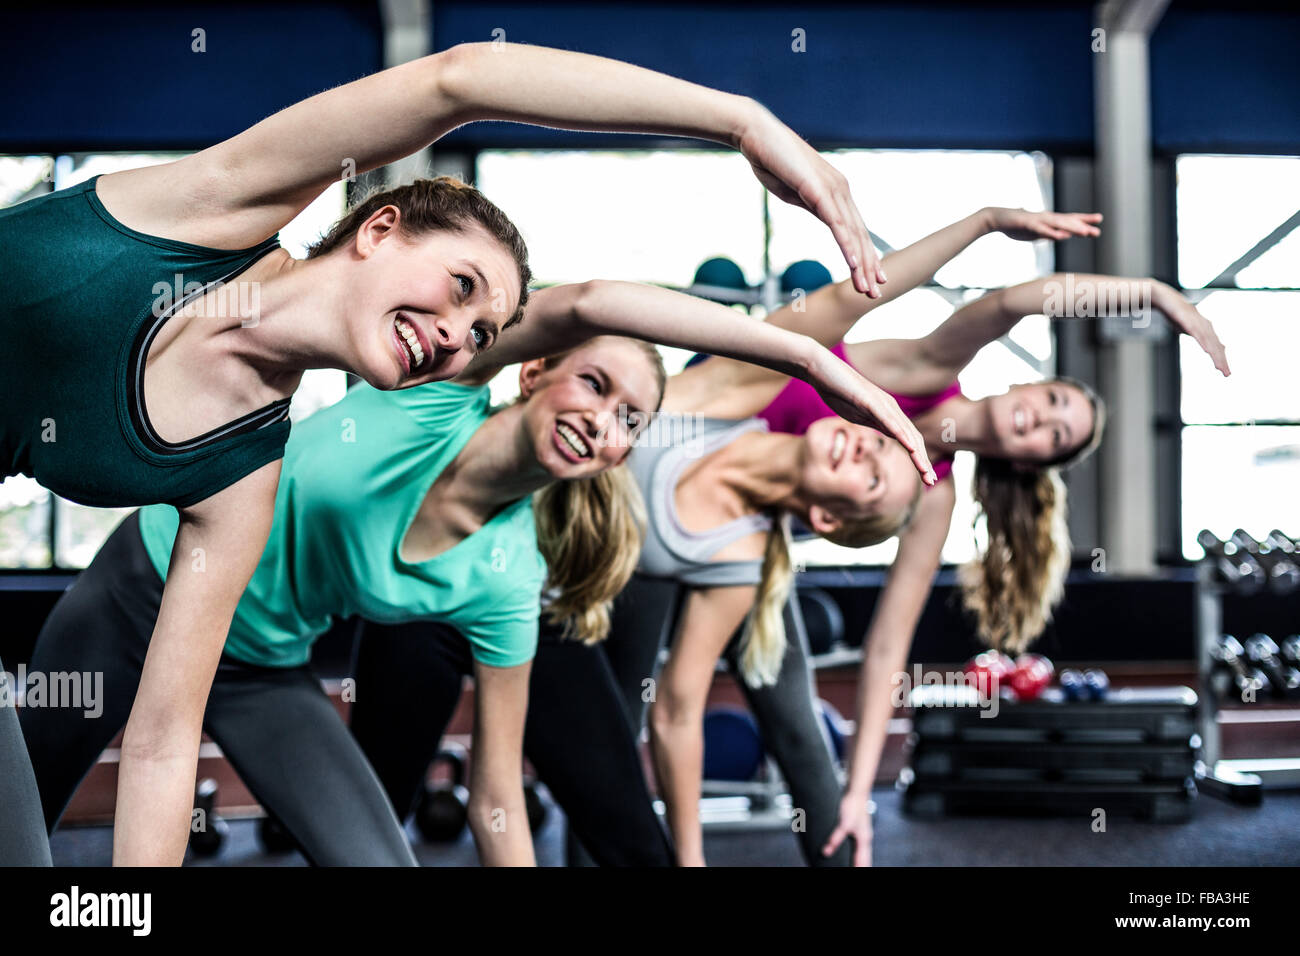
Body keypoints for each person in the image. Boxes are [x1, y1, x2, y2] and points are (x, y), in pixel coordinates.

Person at [1, 39, 921, 865]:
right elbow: (460, 82)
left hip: (264, 665)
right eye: (459, 287)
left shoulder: (240, 477)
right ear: (379, 228)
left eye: (479, 332)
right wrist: (742, 128)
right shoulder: (217, 207)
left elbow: (165, 746)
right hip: (127, 595)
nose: (454, 336)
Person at [673, 205, 1231, 864]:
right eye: (1054, 400)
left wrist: (860, 794)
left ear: (1029, 462)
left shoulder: (932, 495)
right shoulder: (927, 370)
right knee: (622, 715)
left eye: (1058, 436)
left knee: (808, 750)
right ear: (1030, 382)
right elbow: (1012, 302)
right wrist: (1156, 294)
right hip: (692, 435)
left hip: (734, 548)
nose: (1041, 419)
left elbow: (887, 648)